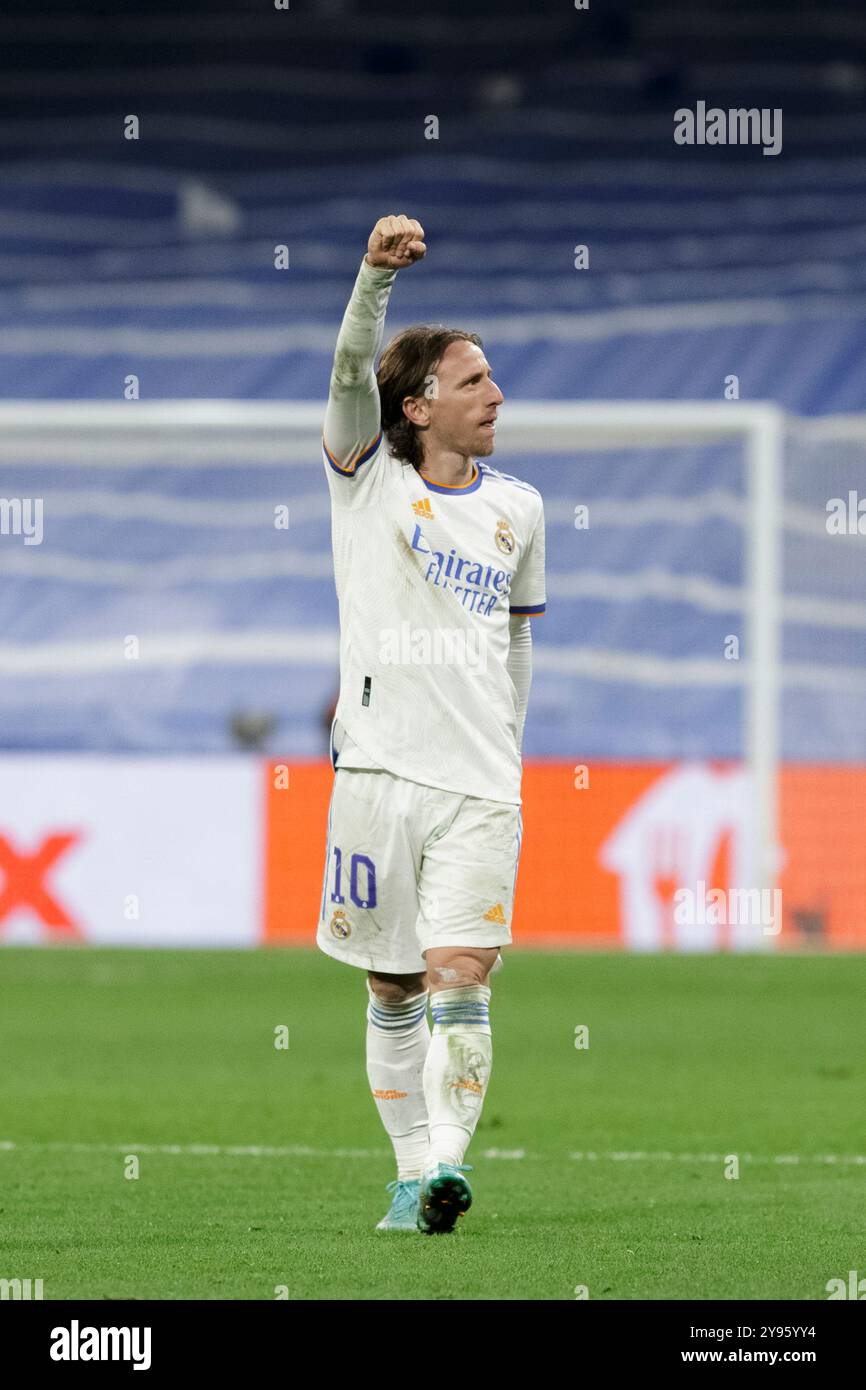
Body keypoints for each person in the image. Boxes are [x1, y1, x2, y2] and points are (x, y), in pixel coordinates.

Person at [316, 214, 546, 1234]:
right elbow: (348, 365)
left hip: (480, 786)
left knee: (463, 971)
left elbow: (516, 642)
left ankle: (448, 1166)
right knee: (392, 979)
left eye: (491, 379)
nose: (495, 394)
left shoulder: (519, 510)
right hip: (372, 776)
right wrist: (373, 279)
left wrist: (512, 741)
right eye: (471, 382)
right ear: (415, 407)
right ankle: (409, 1174)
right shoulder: (368, 480)